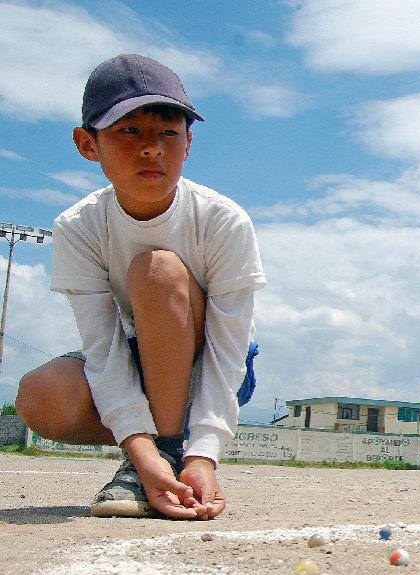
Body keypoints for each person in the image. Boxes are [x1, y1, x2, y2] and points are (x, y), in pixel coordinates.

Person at [16, 54, 266, 520]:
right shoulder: (79, 226)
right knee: (42, 396)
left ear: (188, 142)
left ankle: (173, 450)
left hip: (212, 367)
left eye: (168, 132)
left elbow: (230, 344)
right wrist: (138, 445)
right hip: (139, 357)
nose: (152, 148)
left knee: (157, 270)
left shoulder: (222, 220)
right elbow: (102, 346)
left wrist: (204, 452)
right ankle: (150, 459)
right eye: (129, 131)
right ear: (87, 144)